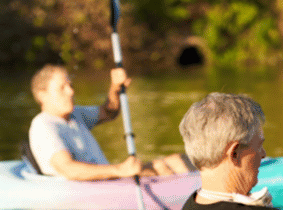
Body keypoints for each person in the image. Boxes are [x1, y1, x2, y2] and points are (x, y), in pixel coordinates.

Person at [28, 64, 193, 181]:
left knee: (179, 160)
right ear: (42, 95)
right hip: (86, 191)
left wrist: (115, 87)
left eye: (70, 85)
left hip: (108, 181)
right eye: (62, 88)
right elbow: (68, 169)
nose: (71, 91)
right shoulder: (44, 126)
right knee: (162, 169)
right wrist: (119, 170)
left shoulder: (75, 114)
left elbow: (109, 111)